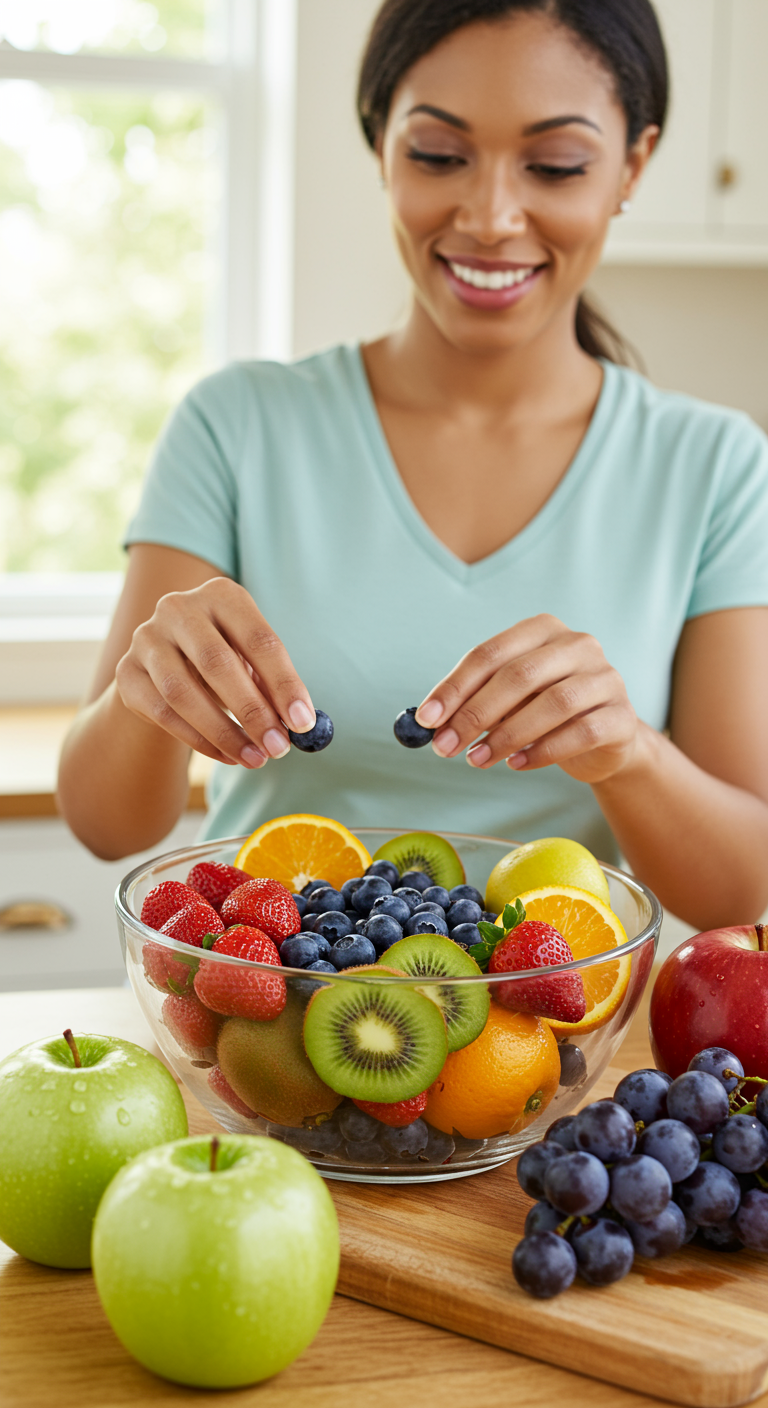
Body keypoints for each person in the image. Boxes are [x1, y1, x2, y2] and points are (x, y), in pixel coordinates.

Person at [58, 0, 768, 930]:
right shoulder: (238, 425)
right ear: (381, 144)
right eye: (438, 155)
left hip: (532, 1053)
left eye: (555, 165)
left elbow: (740, 893)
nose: (491, 215)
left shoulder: (713, 466)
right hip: (264, 1038)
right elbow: (108, 824)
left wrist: (627, 750)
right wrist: (144, 698)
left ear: (631, 165)